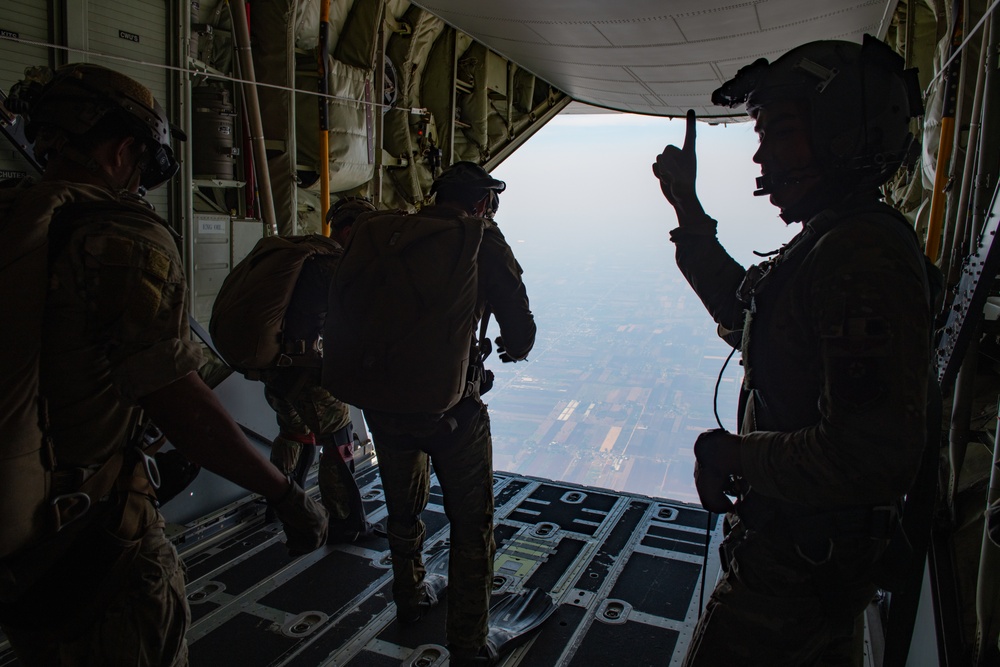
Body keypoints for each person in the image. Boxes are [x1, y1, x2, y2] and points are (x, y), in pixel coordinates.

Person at [0, 63, 327, 667]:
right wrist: (282, 492)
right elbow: (176, 398)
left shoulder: (15, 219)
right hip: (94, 540)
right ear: (124, 151)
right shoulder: (120, 238)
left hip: (15, 544)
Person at [652, 36, 931, 665]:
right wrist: (687, 210)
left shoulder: (860, 257)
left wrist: (731, 452)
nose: (760, 156)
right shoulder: (832, 245)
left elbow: (867, 456)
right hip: (799, 567)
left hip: (796, 584)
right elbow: (743, 315)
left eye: (779, 132)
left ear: (843, 131)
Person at [360, 162, 535, 666]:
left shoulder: (391, 234)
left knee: (401, 508)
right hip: (452, 414)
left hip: (385, 408)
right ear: (482, 203)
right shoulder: (481, 238)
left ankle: (411, 594)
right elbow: (520, 328)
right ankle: (468, 643)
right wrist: (511, 348)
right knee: (471, 525)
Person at [261, 197, 380, 542]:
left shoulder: (306, 256)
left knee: (296, 434)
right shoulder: (332, 266)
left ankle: (280, 503)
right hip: (302, 370)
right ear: (347, 230)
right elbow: (360, 320)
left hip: (274, 369)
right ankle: (345, 523)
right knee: (338, 437)